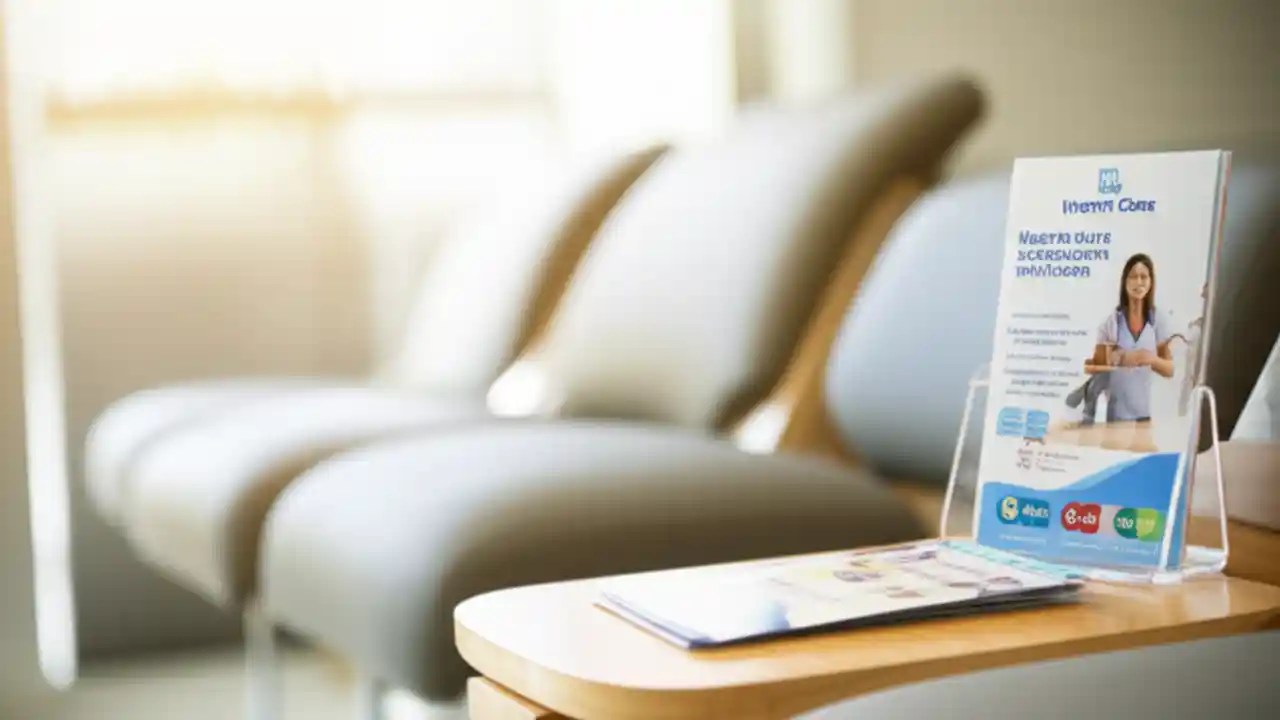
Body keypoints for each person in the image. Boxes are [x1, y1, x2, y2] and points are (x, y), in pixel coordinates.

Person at [1076, 253, 1175, 423]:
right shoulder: (1112, 322)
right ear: (1125, 282)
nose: (1138, 282)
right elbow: (1097, 368)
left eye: (1144, 277)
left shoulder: (1158, 320)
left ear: (1151, 281)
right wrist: (1118, 357)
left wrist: (1148, 358)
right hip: (1116, 415)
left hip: (1146, 414)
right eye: (1133, 277)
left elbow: (1169, 370)